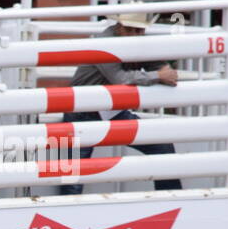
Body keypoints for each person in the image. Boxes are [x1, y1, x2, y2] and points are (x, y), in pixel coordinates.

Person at [60, 11, 181, 195]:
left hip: (111, 110)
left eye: (139, 31)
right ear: (119, 27)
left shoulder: (137, 43)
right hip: (84, 111)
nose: (135, 34)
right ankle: (64, 218)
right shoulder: (104, 43)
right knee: (73, 178)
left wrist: (163, 70)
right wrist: (158, 75)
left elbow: (156, 65)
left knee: (162, 145)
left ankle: (171, 200)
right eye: (130, 29)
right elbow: (120, 79)